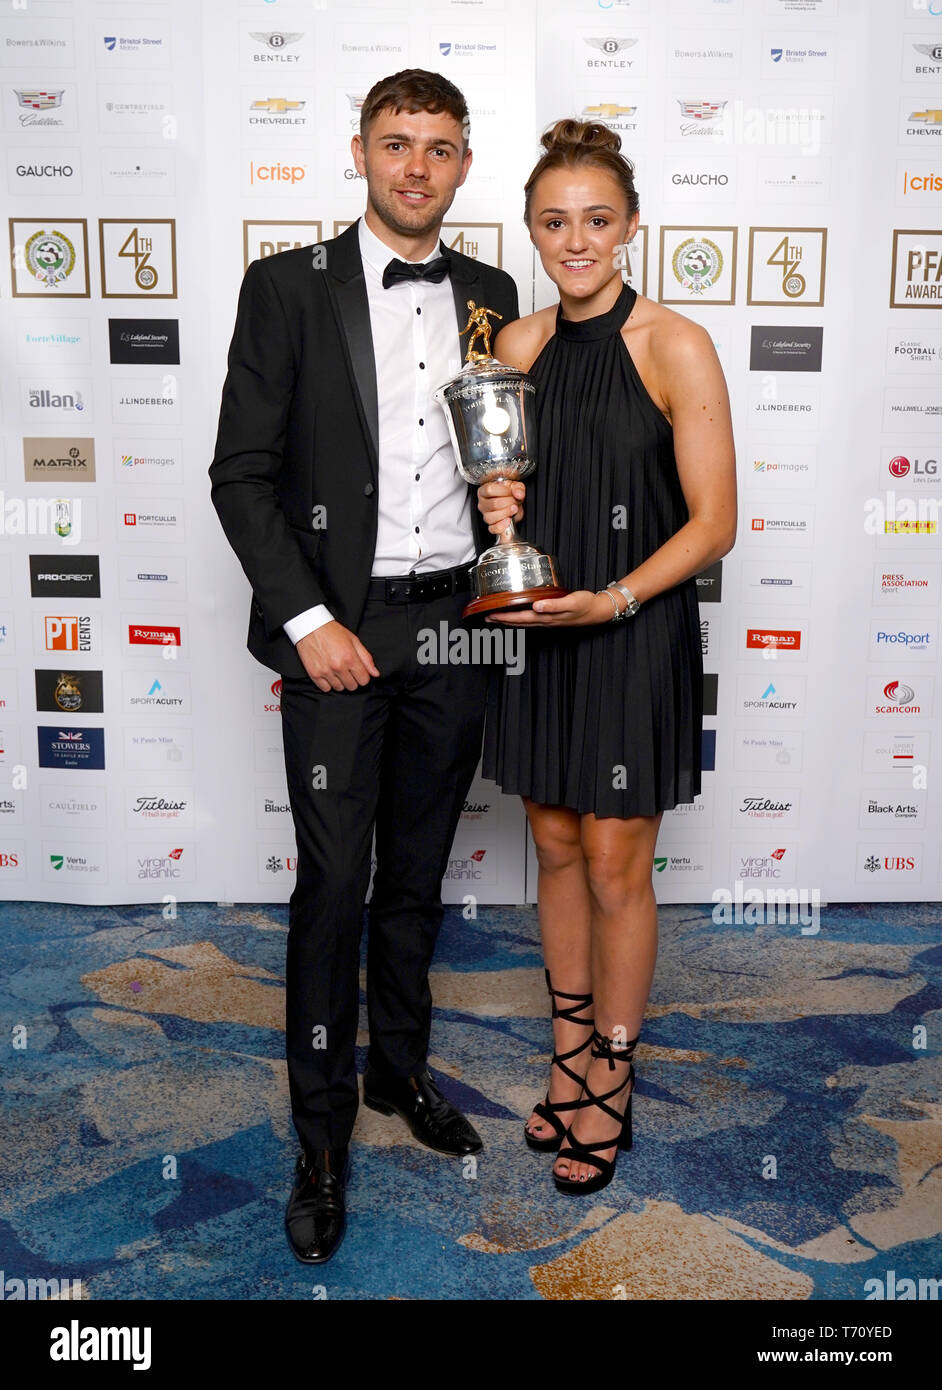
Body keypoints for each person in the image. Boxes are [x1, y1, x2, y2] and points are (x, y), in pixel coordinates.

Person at [209, 69, 519, 1262]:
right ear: (358, 152)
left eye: (439, 147)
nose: (416, 166)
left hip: (455, 626)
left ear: (463, 164)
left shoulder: (491, 296)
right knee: (333, 886)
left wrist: (511, 505)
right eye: (397, 143)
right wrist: (305, 623)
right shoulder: (286, 288)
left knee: (419, 872)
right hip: (338, 634)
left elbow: (503, 449)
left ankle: (398, 1073)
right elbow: (241, 474)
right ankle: (322, 1134)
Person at [478, 119, 736, 1195]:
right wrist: (497, 502)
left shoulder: (676, 345)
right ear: (533, 231)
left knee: (620, 860)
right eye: (554, 221)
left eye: (596, 219)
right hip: (545, 631)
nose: (575, 239)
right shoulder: (518, 348)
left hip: (631, 630)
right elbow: (508, 489)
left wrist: (617, 598)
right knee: (554, 841)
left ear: (632, 227)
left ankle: (613, 1073)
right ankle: (567, 1047)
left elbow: (715, 522)